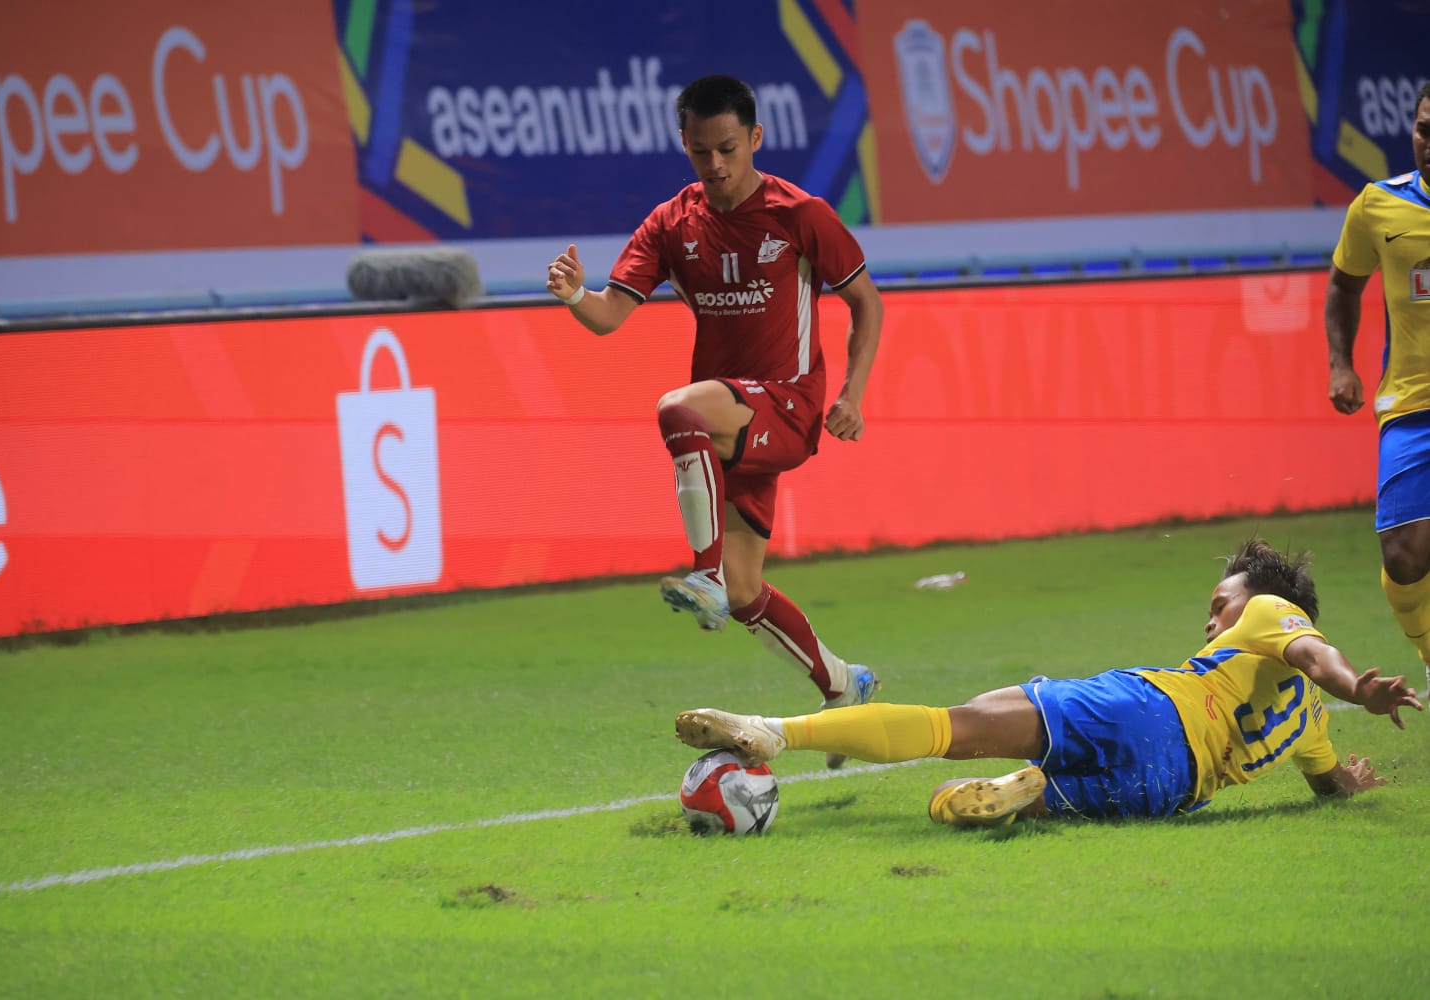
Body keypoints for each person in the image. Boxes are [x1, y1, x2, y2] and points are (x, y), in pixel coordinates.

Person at [546, 74, 886, 766]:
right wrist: (577, 294)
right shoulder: (673, 222)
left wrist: (851, 393)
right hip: (734, 422)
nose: (717, 165)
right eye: (702, 152)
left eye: (729, 148)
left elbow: (867, 302)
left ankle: (698, 574)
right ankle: (846, 684)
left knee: (679, 407)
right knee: (746, 590)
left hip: (787, 405)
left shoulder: (801, 213)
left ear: (755, 139)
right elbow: (611, 315)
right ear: (685, 145)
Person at [675, 537, 1424, 826]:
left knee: (955, 726)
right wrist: (1353, 780)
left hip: (1149, 710)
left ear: (1263, 601)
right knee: (995, 805)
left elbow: (1320, 663)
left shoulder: (1273, 610)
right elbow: (1326, 783)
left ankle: (777, 732)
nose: (1211, 621)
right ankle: (1010, 798)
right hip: (1168, 791)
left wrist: (1357, 686)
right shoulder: (1309, 728)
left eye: (1217, 605)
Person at [1325, 80, 1430, 692]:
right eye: (1424, 129)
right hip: (1412, 407)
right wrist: (1341, 363)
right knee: (1403, 555)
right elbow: (1343, 283)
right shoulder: (1378, 206)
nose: (1429, 142)